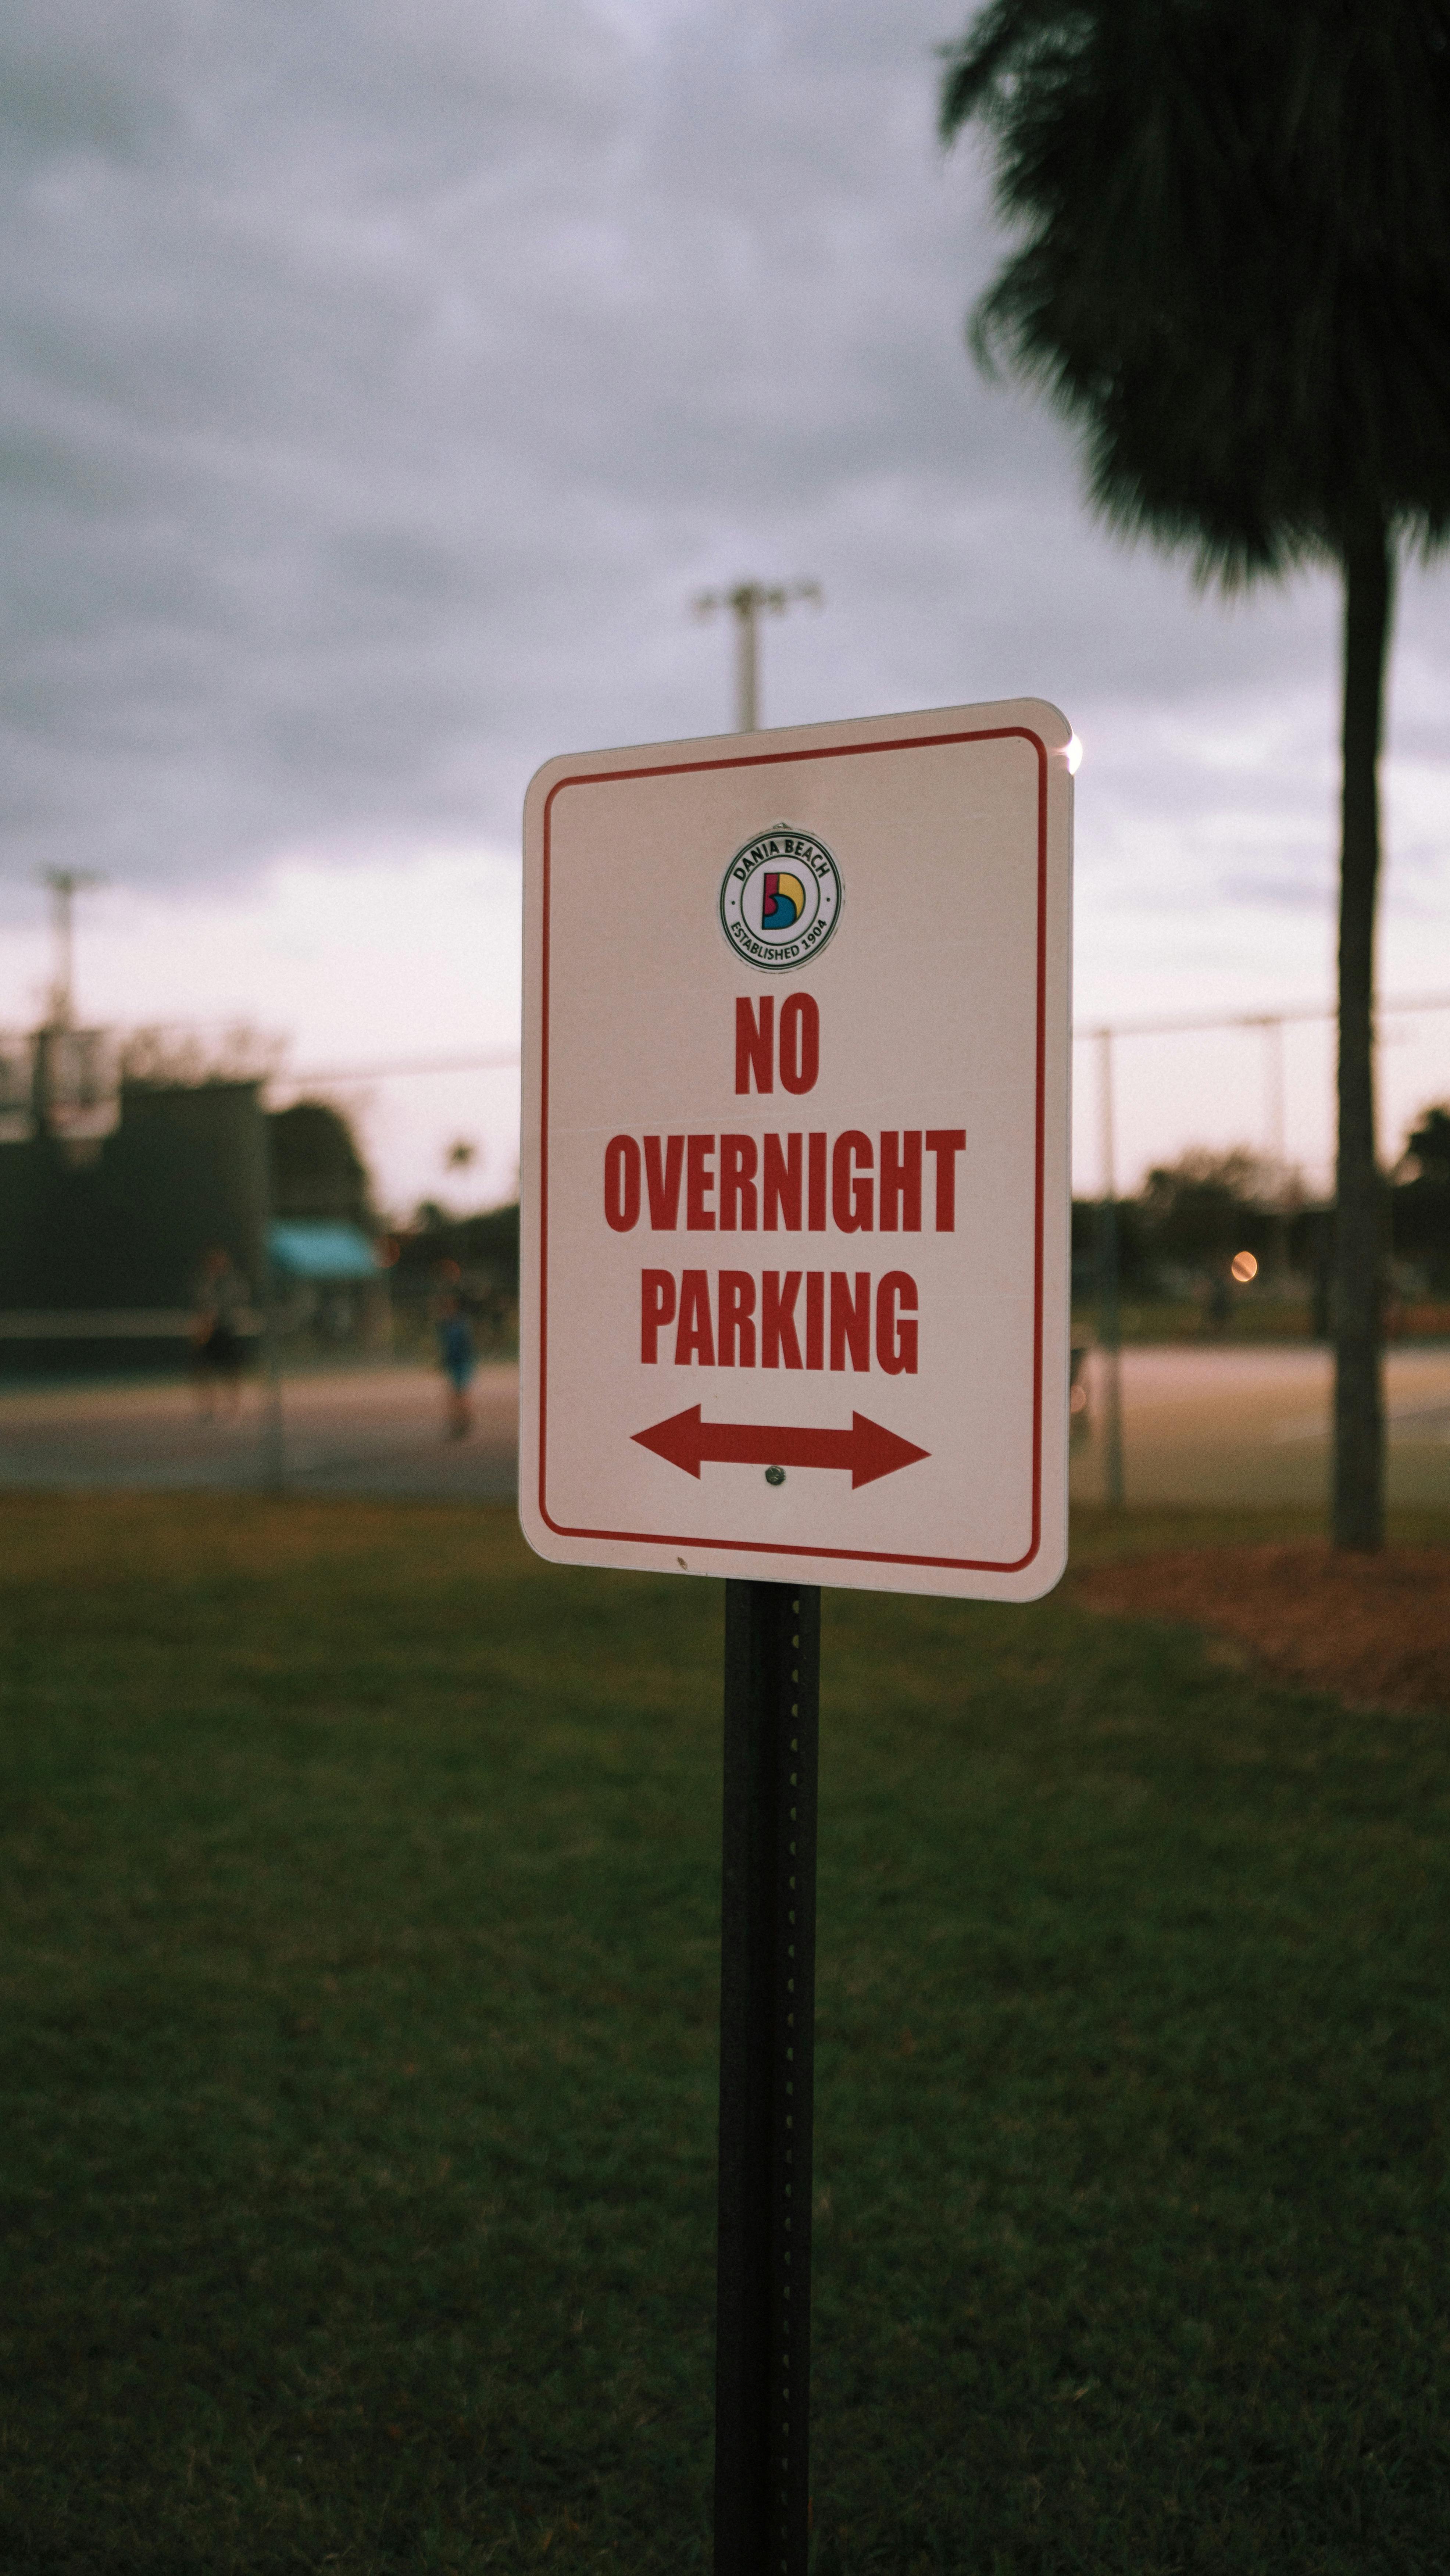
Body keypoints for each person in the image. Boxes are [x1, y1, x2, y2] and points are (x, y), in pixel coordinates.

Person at [191, 1246, 250, 1418]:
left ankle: (232, 1407)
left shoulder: (232, 1283)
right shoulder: (204, 1283)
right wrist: (201, 1331)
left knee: (231, 1371)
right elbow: (203, 1309)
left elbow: (237, 1303)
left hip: (226, 1331)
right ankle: (210, 1406)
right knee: (204, 1369)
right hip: (209, 1333)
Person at [436, 1292, 476, 1440]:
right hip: (453, 1364)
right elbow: (445, 1347)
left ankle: (462, 1424)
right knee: (454, 1396)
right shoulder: (446, 1325)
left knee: (460, 1396)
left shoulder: (461, 1324)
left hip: (462, 1363)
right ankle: (459, 1424)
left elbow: (465, 1347)